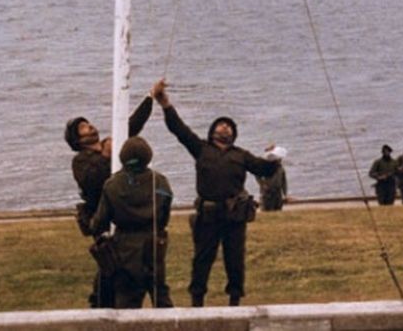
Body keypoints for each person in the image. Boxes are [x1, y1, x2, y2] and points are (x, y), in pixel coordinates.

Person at [157, 83, 279, 308]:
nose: (225, 127)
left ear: (233, 134)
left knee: (235, 261)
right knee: (202, 259)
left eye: (229, 126)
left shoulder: (241, 155)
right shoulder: (201, 148)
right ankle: (197, 301)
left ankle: (235, 302)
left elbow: (264, 168)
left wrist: (274, 156)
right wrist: (165, 104)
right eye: (221, 125)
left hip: (234, 216)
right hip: (208, 216)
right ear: (213, 131)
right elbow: (179, 129)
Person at [65, 81, 157, 308]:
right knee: (110, 267)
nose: (90, 127)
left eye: (88, 123)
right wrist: (107, 156)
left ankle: (113, 306)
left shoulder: (110, 144)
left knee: (127, 271)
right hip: (103, 221)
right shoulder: (80, 161)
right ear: (77, 140)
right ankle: (100, 307)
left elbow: (131, 126)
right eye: (83, 127)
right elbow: (92, 182)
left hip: (123, 215)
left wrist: (150, 98)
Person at [88, 136, 174, 308]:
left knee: (127, 298)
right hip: (154, 243)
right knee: (161, 294)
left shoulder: (112, 185)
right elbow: (165, 213)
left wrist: (91, 225)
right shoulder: (160, 181)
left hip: (125, 246)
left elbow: (100, 222)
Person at [257, 144, 288, 211]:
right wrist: (262, 184)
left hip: (277, 192)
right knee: (267, 209)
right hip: (267, 192)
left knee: (278, 209)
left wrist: (285, 194)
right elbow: (257, 175)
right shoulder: (265, 166)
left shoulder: (280, 168)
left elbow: (284, 181)